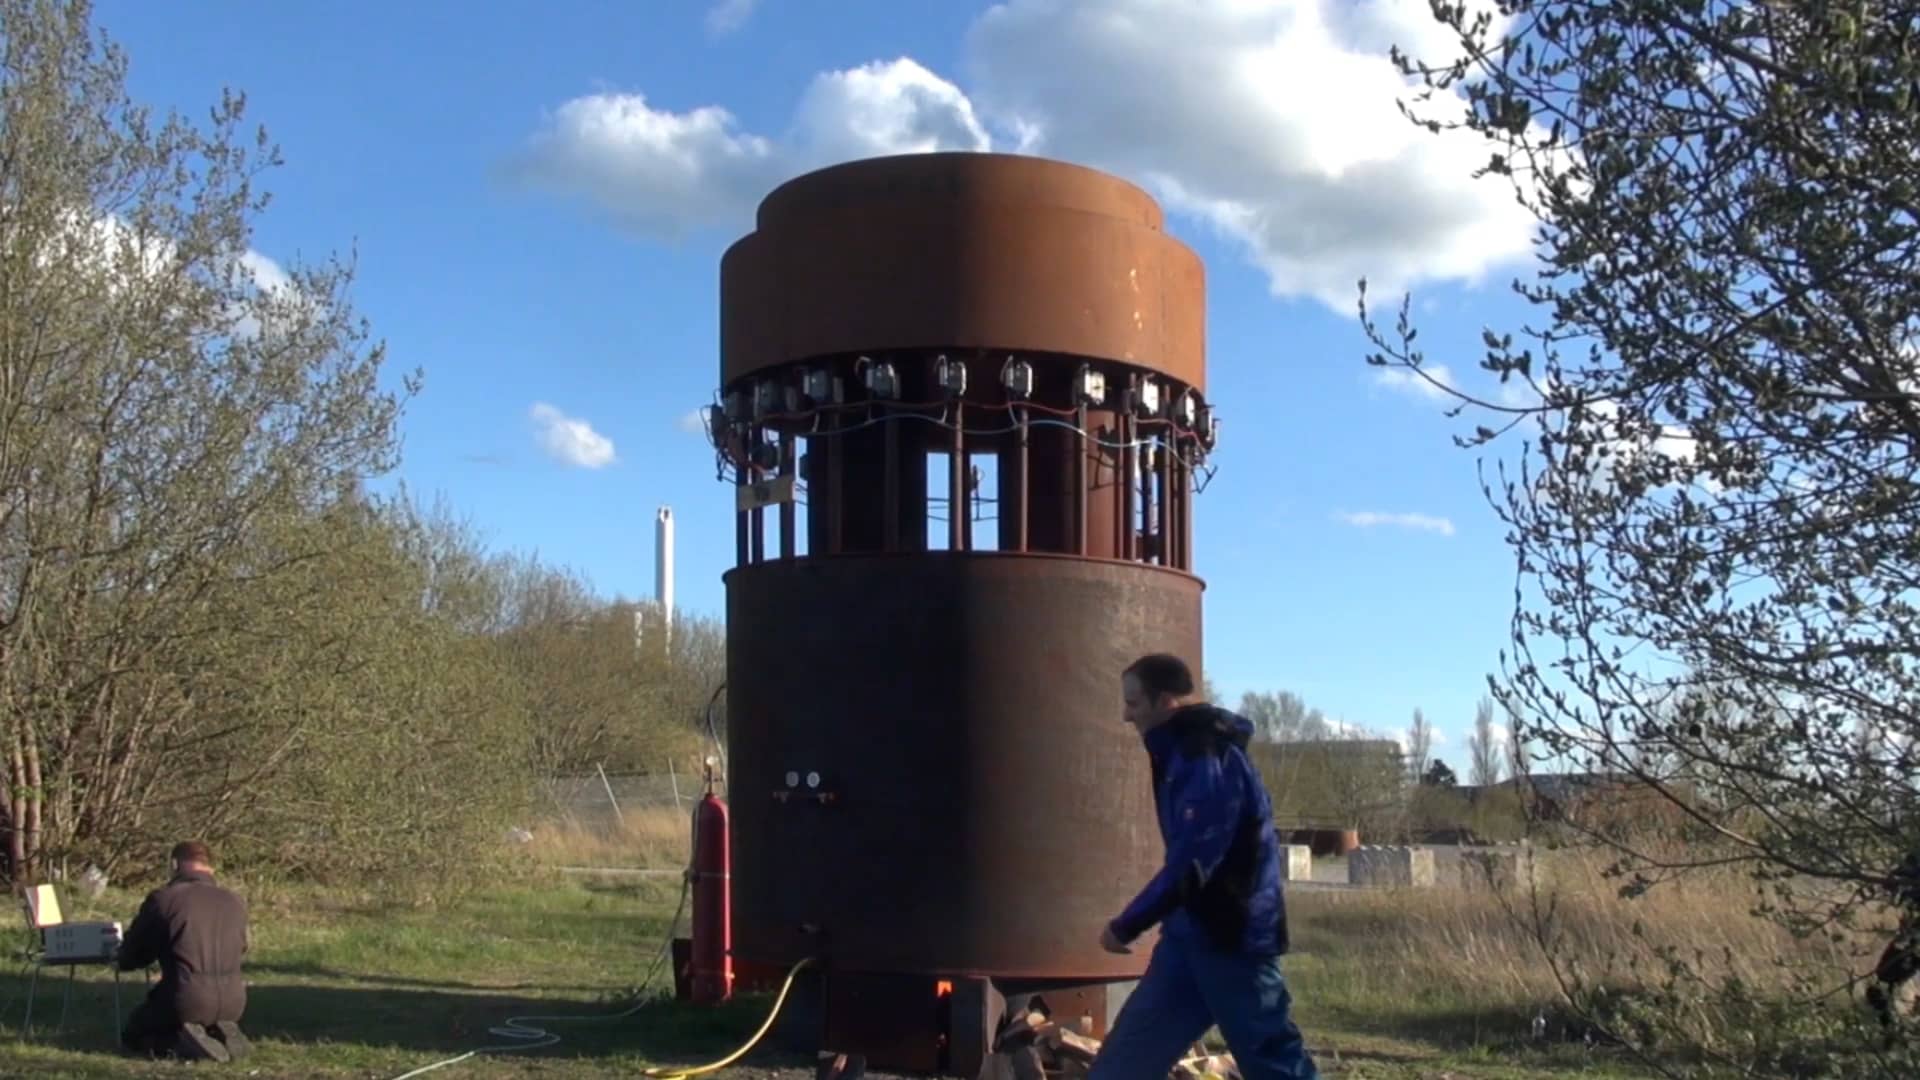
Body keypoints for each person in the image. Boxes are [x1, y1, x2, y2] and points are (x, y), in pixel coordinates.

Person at [1090, 653, 1320, 1080]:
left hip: (1234, 940)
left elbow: (1195, 860)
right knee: (1123, 1064)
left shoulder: (1206, 758)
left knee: (1274, 1065)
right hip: (1185, 940)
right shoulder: (1178, 754)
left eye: (1133, 703)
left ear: (1165, 702)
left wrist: (1127, 925)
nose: (1125, 715)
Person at [116, 840, 253, 1062]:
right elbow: (244, 946)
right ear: (211, 867)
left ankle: (183, 1044)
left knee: (135, 1034)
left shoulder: (164, 899)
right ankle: (217, 1032)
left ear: (174, 865)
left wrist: (121, 958)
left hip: (185, 998)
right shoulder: (235, 901)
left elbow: (136, 953)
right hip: (234, 1001)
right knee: (200, 1012)